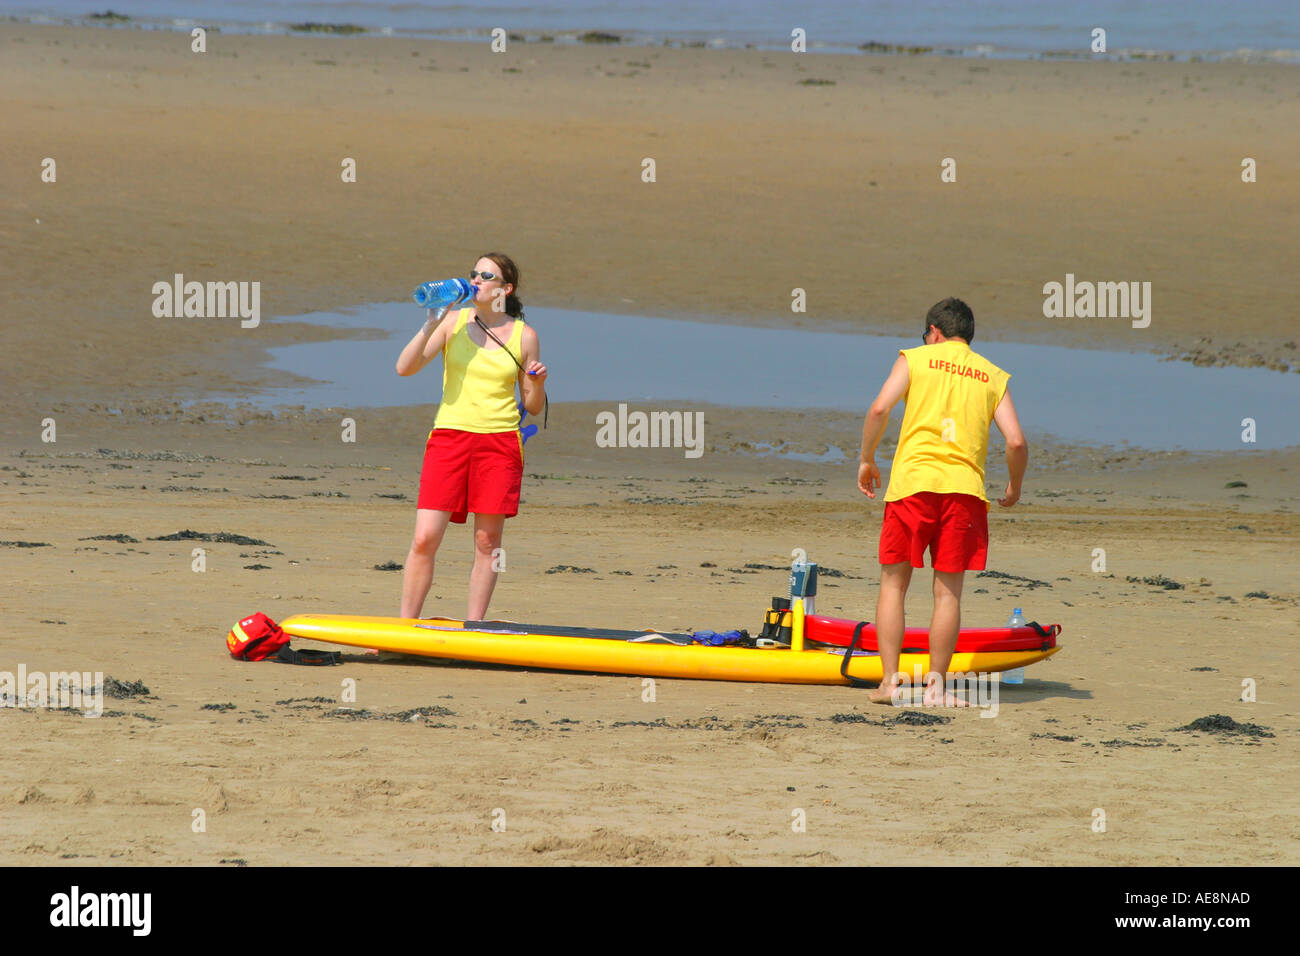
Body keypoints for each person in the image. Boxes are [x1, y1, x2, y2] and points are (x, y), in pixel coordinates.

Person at [857, 297, 1027, 706]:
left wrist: (866, 459)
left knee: (893, 586)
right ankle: (936, 686)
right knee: (948, 593)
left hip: (912, 487)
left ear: (934, 331)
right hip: (964, 492)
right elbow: (1016, 441)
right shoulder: (992, 375)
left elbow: (880, 407)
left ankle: (891, 683)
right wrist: (1014, 487)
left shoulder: (915, 359)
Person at [395, 253, 547, 621]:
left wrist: (538, 383)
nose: (476, 280)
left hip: (499, 443)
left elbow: (533, 406)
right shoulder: (452, 322)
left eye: (486, 275)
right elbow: (405, 368)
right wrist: (429, 324)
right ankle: (404, 626)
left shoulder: (525, 335)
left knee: (487, 542)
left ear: (505, 289)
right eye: (473, 273)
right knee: (425, 538)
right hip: (449, 438)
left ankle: (474, 627)